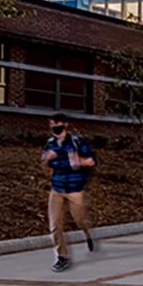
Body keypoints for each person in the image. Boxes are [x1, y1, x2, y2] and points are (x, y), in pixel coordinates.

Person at [42, 113, 98, 273]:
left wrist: (78, 161)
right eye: (52, 124)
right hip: (57, 188)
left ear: (65, 125)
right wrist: (48, 158)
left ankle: (86, 233)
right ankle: (62, 257)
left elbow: (91, 161)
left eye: (57, 124)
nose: (54, 127)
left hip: (74, 189)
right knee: (54, 225)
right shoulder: (50, 143)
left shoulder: (76, 141)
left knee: (78, 219)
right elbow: (44, 162)